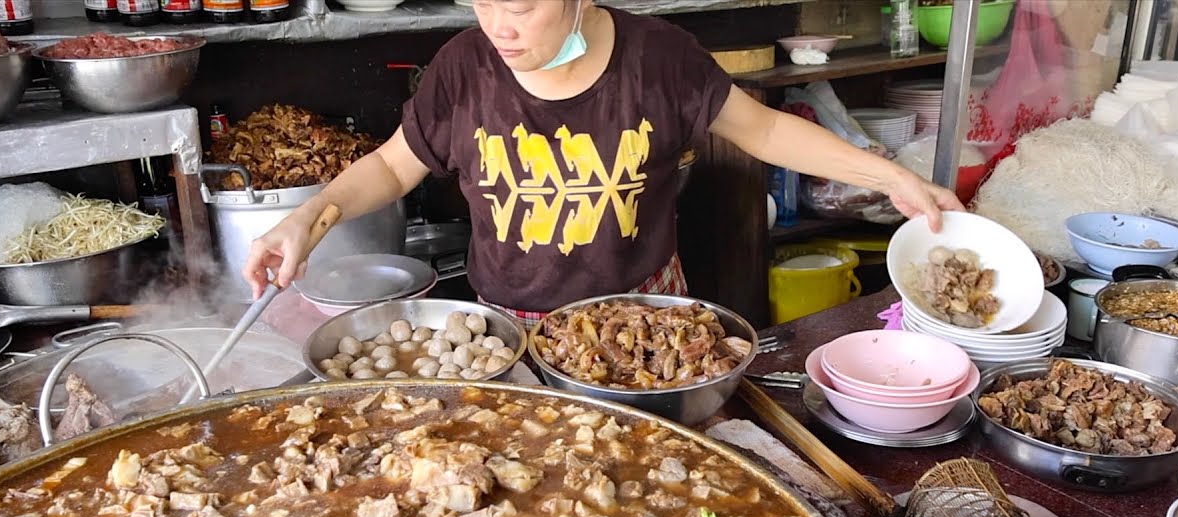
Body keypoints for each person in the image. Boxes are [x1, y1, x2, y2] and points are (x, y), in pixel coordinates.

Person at [244, 0, 963, 323]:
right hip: (509, 325)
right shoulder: (463, 66)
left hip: (644, 313)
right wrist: (308, 216)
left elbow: (765, 131)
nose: (499, 27)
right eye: (484, 3)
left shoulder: (658, 58)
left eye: (522, 7)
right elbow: (395, 166)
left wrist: (890, 175)